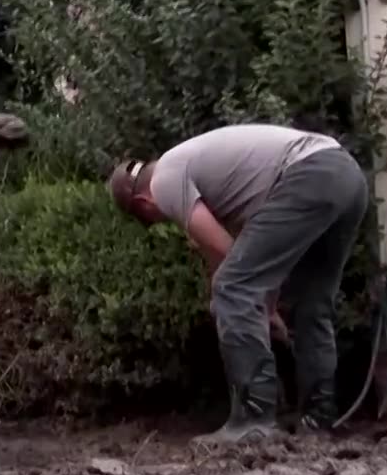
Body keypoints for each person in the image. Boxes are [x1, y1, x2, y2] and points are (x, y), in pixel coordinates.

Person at [107, 123, 368, 443]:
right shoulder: (210, 176)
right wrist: (266, 305)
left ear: (143, 205)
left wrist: (237, 299)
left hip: (307, 176)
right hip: (345, 175)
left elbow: (231, 263)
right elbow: (245, 262)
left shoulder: (164, 182)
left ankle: (253, 420)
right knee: (309, 304)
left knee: (231, 289)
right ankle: (318, 420)